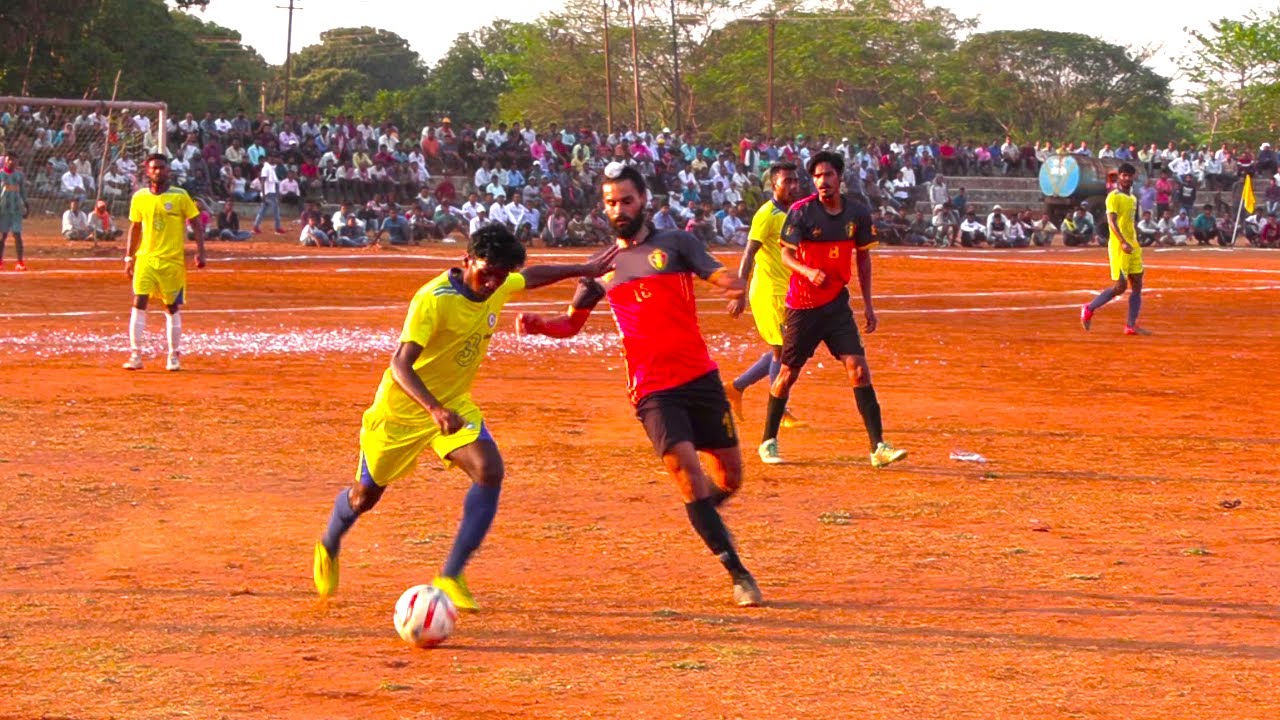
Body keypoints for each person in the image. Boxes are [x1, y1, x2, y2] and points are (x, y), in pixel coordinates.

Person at [311, 224, 616, 609]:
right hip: (402, 412)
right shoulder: (432, 299)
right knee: (363, 498)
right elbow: (400, 364)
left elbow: (530, 277)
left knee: (489, 470)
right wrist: (433, 408)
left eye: (500, 276)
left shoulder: (499, 282)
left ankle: (451, 575)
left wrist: (582, 269)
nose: (492, 283)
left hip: (454, 407)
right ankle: (329, 543)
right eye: (486, 272)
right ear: (466, 260)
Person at [517, 163, 763, 607]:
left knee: (731, 478)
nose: (619, 209)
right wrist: (539, 326)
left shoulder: (676, 244)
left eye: (626, 200)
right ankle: (738, 572)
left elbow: (715, 272)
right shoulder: (600, 269)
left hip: (700, 377)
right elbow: (571, 326)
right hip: (652, 389)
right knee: (687, 473)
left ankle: (703, 516)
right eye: (611, 202)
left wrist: (734, 284)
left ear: (643, 199)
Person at [757, 150, 907, 468]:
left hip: (837, 304)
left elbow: (863, 260)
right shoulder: (801, 212)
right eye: (817, 176)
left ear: (840, 177)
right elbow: (786, 256)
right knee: (787, 374)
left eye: (828, 174)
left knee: (859, 369)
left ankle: (878, 447)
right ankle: (768, 440)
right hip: (802, 306)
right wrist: (808, 271)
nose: (823, 181)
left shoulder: (857, 214)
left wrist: (868, 305)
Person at [724, 162, 808, 433]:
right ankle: (780, 410)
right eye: (787, 182)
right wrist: (738, 292)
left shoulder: (796, 211)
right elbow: (749, 252)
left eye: (795, 181)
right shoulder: (767, 214)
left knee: (783, 350)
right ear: (774, 185)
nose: (793, 186)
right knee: (782, 352)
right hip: (768, 291)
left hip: (789, 290)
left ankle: (735, 388)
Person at [123, 153, 206, 371]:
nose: (158, 171)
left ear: (168, 170)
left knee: (171, 306)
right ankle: (135, 355)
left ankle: (173, 356)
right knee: (138, 302)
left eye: (162, 167)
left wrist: (201, 252)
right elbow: (135, 227)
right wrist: (129, 257)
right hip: (146, 259)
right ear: (147, 171)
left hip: (172, 262)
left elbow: (196, 223)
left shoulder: (180, 196)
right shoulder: (139, 197)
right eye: (154, 168)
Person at [1081, 162, 1149, 336]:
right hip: (1119, 246)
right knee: (1120, 286)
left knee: (1138, 284)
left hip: (1133, 245)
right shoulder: (1113, 196)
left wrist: (1135, 236)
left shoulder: (1133, 199)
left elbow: (1130, 221)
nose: (1126, 178)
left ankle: (1130, 325)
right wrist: (1123, 241)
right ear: (1119, 177)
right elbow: (1111, 221)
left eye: (1129, 176)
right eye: (1123, 175)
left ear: (1133, 177)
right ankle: (1089, 308)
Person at [0, 155, 29, 270]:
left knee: (17, 235)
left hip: (16, 209)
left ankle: (20, 262)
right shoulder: (1, 175)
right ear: (5, 161)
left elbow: (23, 192)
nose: (12, 162)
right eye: (9, 159)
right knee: (3, 235)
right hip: (3, 210)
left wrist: (26, 206)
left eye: (14, 160)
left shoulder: (19, 176)